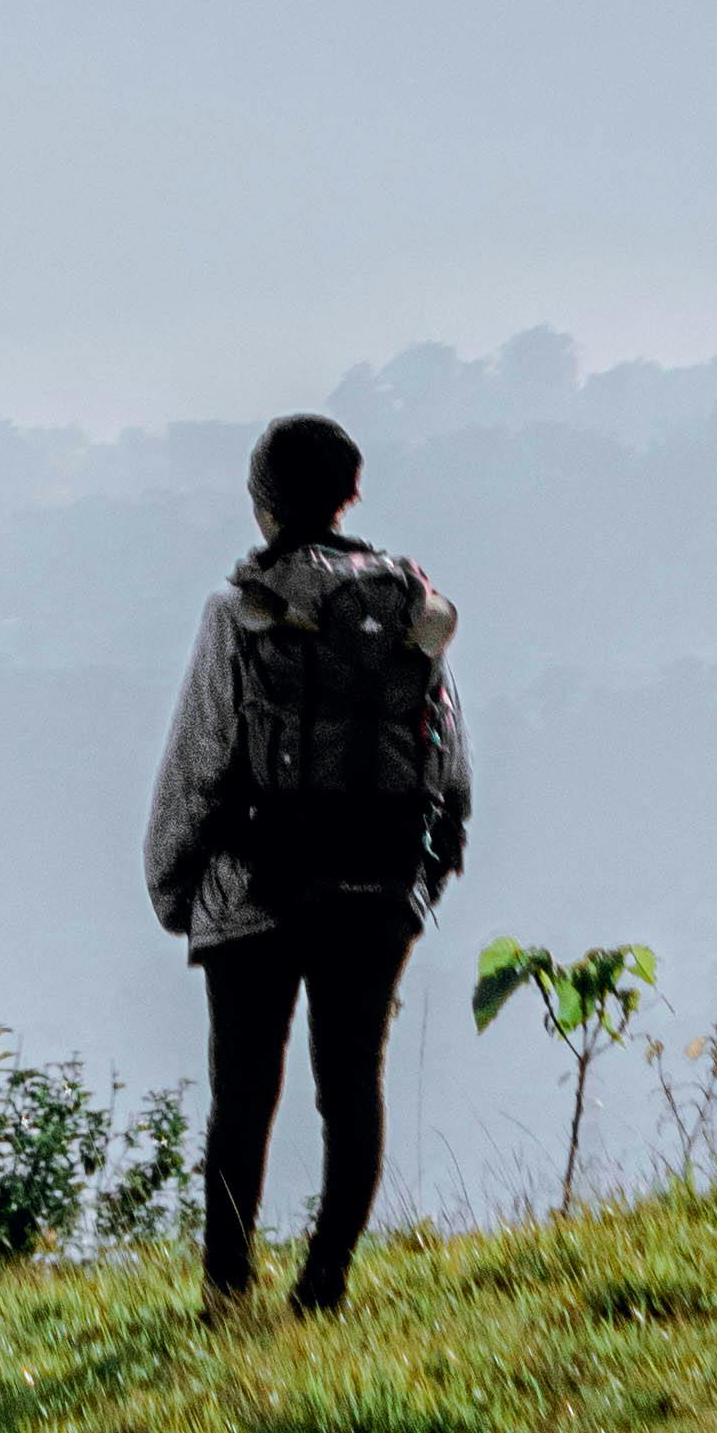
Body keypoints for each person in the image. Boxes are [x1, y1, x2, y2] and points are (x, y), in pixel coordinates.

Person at [141, 407, 469, 1318]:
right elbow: (449, 755)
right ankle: (323, 1287)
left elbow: (201, 758)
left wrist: (174, 887)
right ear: (351, 496)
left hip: (256, 890)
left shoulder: (240, 610)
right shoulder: (411, 609)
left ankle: (226, 1292)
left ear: (262, 506)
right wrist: (425, 869)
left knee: (243, 1092)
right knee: (350, 1086)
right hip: (376, 887)